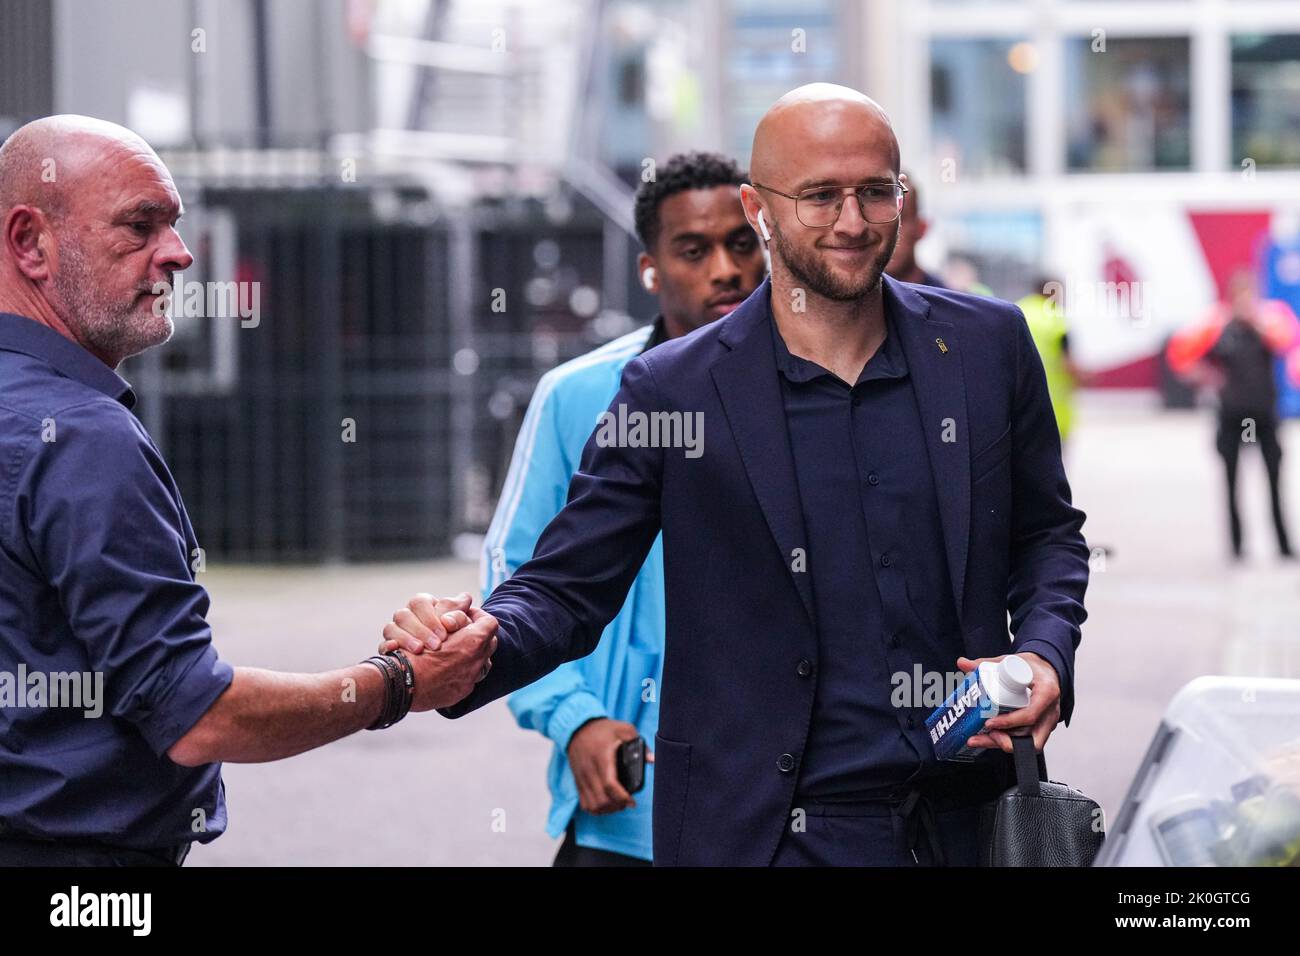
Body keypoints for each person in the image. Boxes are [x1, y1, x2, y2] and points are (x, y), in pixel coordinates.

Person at [385, 84, 1089, 866]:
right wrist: (473, 645)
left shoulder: (988, 347)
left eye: (875, 192)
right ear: (759, 207)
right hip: (765, 835)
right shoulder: (670, 390)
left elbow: (1048, 534)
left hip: (972, 823)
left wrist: (1045, 653)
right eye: (819, 196)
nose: (852, 222)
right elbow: (565, 586)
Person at [0, 115, 494, 866]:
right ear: (31, 242)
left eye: (174, 222)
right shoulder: (81, 438)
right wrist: (398, 682)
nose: (181, 252)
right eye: (141, 225)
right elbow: (196, 714)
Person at [487, 152, 766, 866]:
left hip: (783, 800)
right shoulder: (577, 396)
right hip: (626, 804)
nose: (725, 270)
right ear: (650, 269)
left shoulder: (809, 389)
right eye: (693, 250)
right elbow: (515, 575)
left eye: (742, 244)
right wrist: (574, 720)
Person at [1167, 270, 1300, 560]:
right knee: (1231, 482)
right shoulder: (1216, 326)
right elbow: (1181, 355)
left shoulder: (1269, 321)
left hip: (1263, 416)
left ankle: (1283, 544)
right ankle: (1237, 547)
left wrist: (1257, 322)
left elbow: (1287, 341)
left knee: (1275, 480)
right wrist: (1206, 375)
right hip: (1232, 416)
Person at [1017, 277, 1087, 449]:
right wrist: (1085, 378)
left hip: (1018, 405)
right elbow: (1068, 364)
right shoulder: (1056, 320)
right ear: (1053, 291)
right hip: (1053, 408)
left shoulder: (1017, 311)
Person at [884, 172, 945, 289]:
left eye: (900, 219)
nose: (888, 230)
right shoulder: (850, 301)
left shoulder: (944, 302)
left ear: (922, 228)